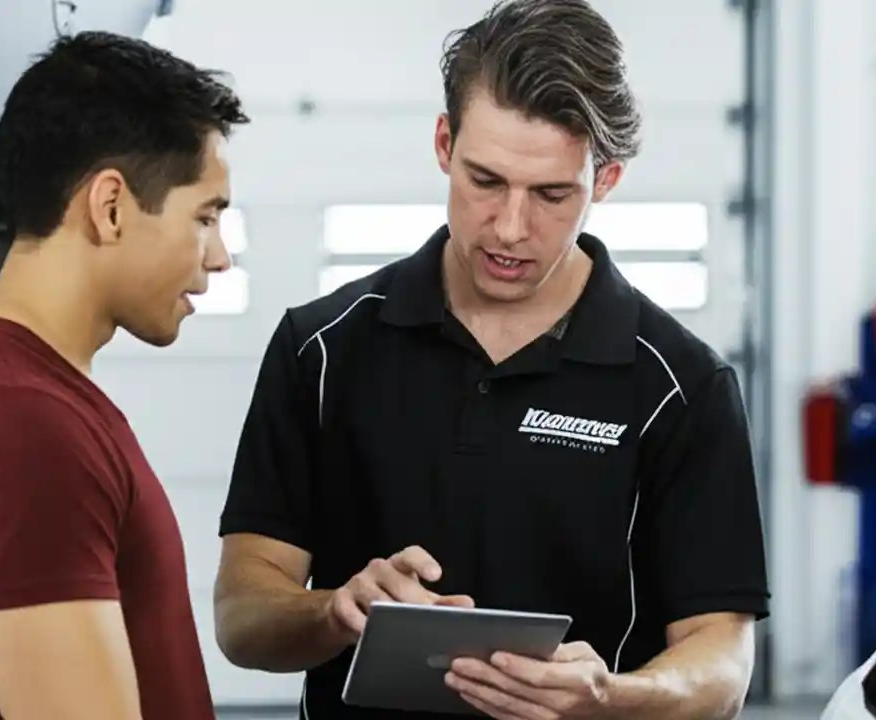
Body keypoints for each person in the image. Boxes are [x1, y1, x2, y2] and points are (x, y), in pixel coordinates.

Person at [214, 1, 769, 718]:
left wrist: (610, 698)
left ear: (605, 181)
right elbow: (241, 614)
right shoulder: (321, 351)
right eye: (485, 182)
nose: (510, 228)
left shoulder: (680, 387)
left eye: (550, 194)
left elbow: (721, 660)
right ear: (444, 143)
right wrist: (334, 611)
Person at [0, 31, 247, 719]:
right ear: (109, 206)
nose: (220, 257)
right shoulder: (16, 425)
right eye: (205, 217)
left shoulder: (22, 395)